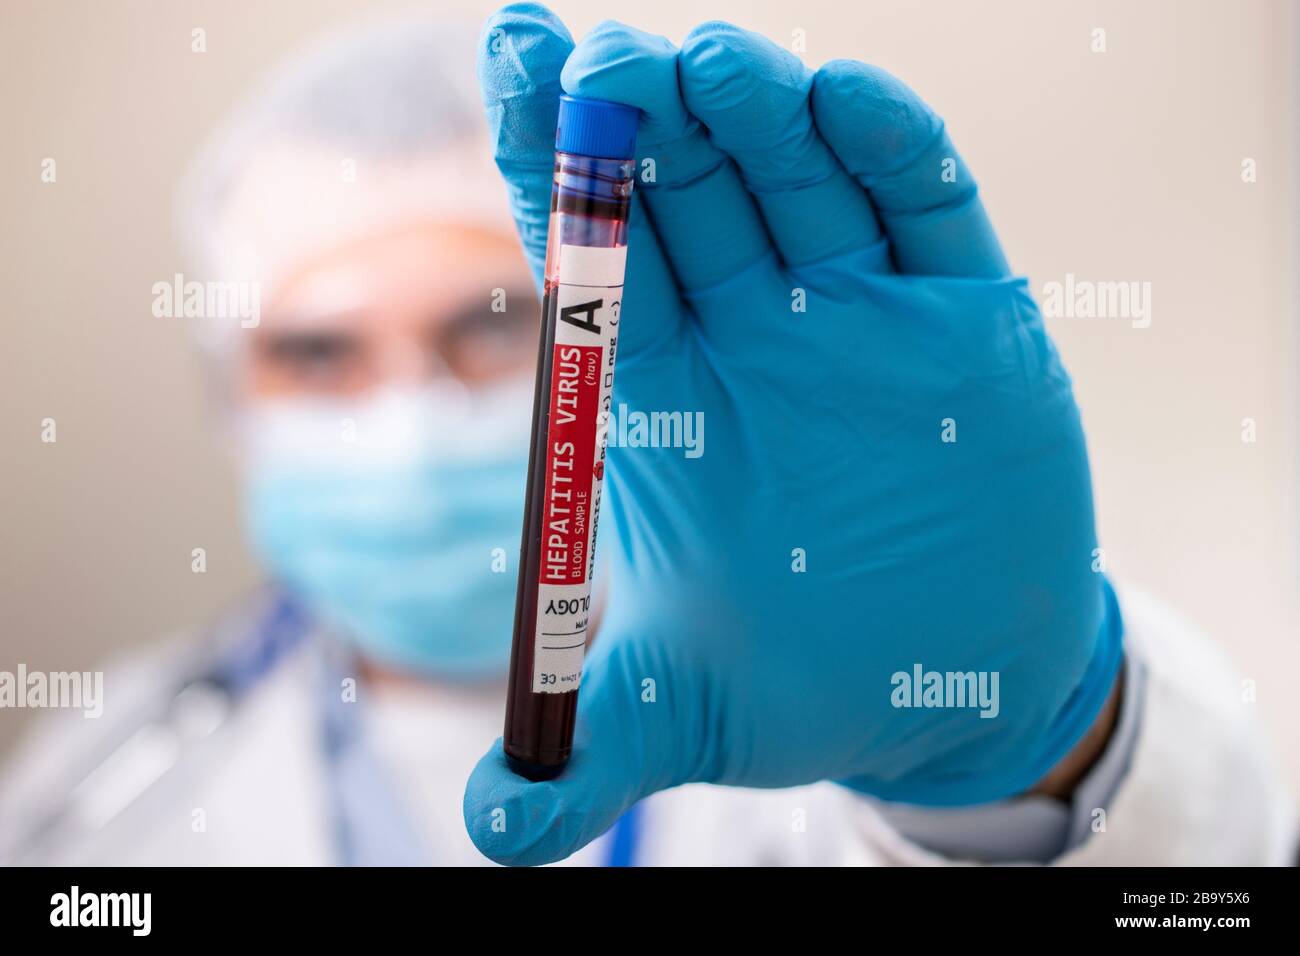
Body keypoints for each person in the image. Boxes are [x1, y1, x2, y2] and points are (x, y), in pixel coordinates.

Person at [0, 5, 1292, 867]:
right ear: (236, 406)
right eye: (319, 353)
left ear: (601, 333)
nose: (407, 414)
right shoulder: (96, 777)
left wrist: (1017, 757)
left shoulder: (848, 665)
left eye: (493, 324)